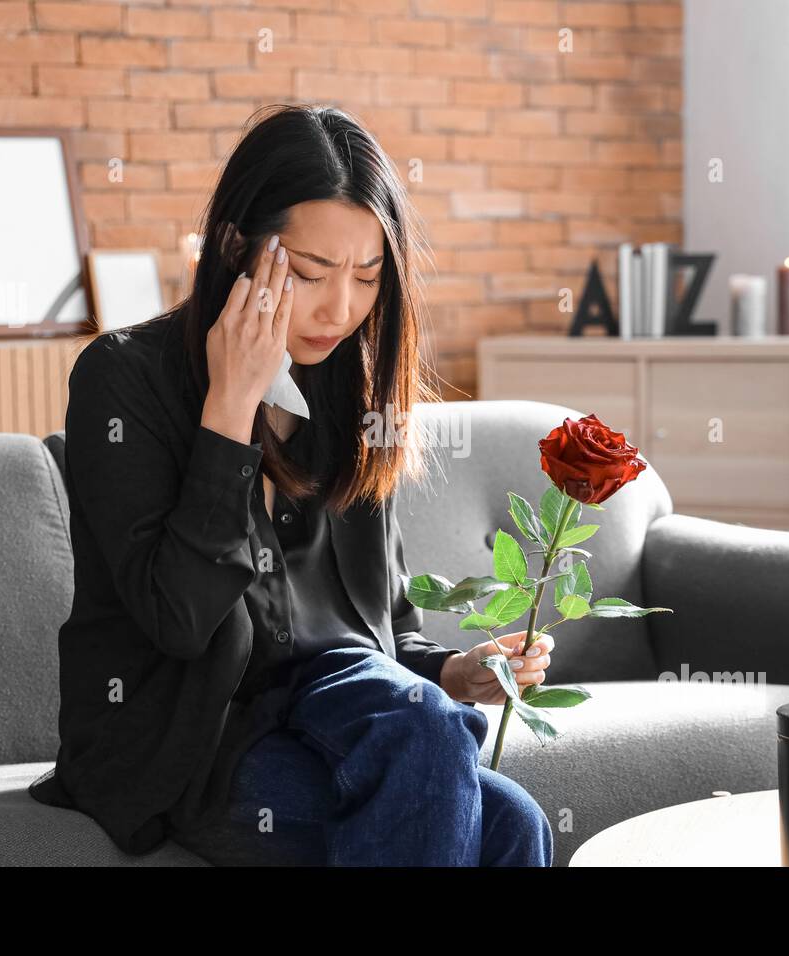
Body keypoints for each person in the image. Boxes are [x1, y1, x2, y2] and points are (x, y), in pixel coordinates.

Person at [29, 104, 555, 867]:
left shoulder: (353, 391)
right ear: (237, 246)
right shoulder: (122, 380)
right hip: (193, 743)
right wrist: (229, 407)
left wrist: (449, 670)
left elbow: (377, 626)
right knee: (437, 748)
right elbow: (177, 619)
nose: (340, 309)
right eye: (309, 273)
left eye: (368, 277)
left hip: (334, 711)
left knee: (512, 816)